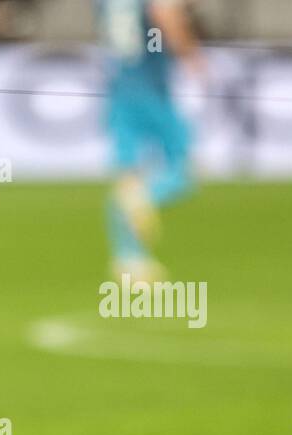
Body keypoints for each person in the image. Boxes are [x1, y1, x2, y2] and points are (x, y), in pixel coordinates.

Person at [97, 0, 205, 278]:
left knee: (129, 176)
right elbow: (163, 10)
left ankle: (129, 259)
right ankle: (141, 199)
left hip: (120, 85)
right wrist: (190, 55)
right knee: (182, 171)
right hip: (151, 88)